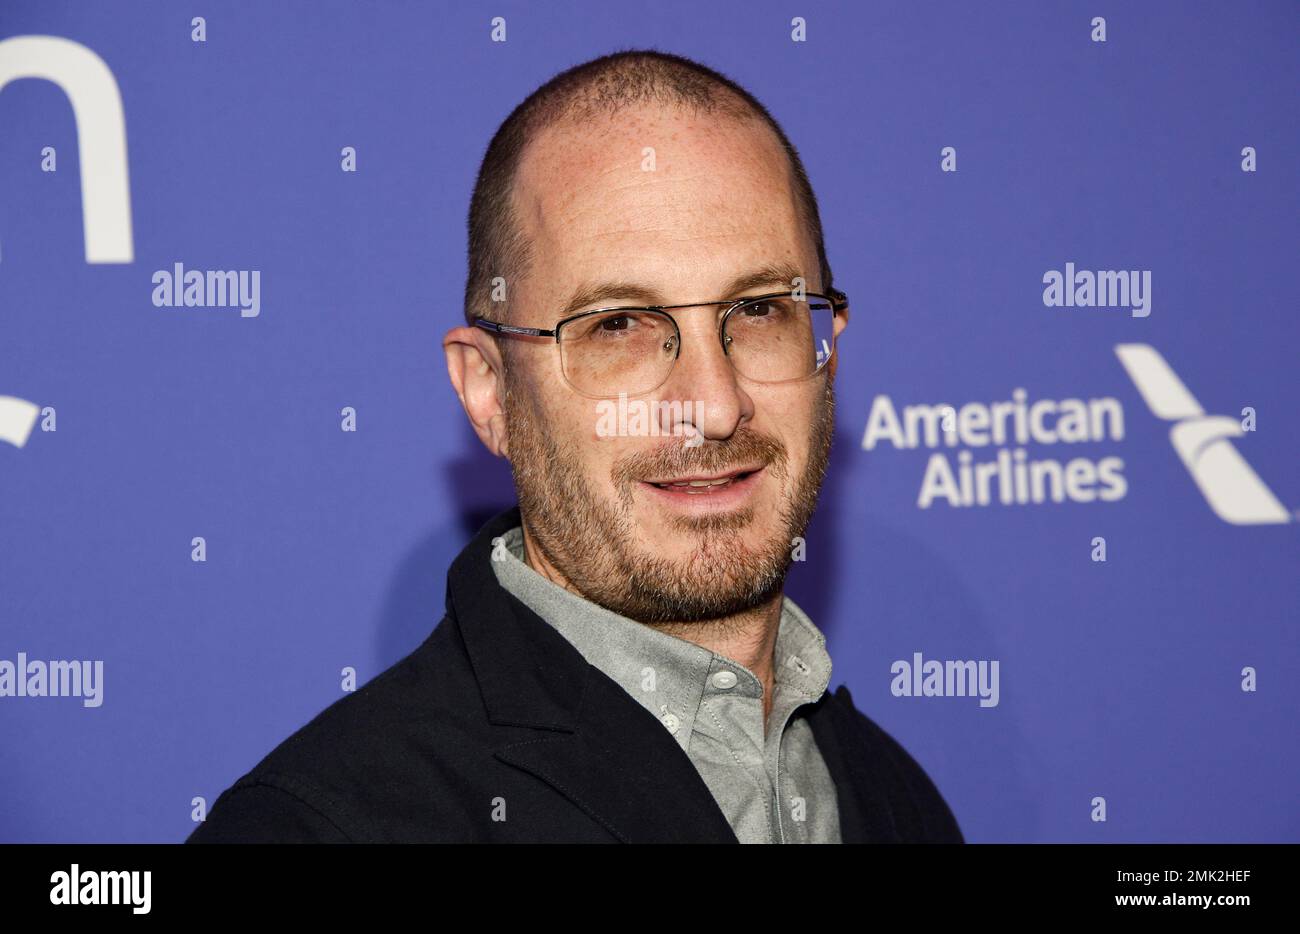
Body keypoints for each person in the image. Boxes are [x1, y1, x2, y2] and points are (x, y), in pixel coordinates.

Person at [188, 48, 963, 844]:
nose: (713, 404)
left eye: (761, 310)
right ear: (489, 391)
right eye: (619, 325)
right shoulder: (321, 830)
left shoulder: (890, 797)